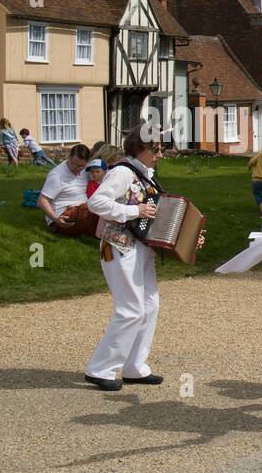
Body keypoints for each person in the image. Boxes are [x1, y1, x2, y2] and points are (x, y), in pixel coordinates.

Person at [85, 128, 203, 390]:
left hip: (141, 250)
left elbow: (158, 216)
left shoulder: (146, 176)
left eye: (161, 149)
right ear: (139, 149)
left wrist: (190, 237)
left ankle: (134, 367)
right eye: (156, 149)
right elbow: (96, 203)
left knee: (150, 306)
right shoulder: (123, 172)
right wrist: (133, 210)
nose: (160, 154)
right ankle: (101, 369)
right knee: (130, 310)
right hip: (118, 248)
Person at [39, 144, 97, 236]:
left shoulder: (86, 170)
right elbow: (42, 200)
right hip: (63, 217)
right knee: (90, 209)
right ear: (69, 157)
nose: (77, 168)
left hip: (81, 210)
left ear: (87, 162)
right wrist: (55, 219)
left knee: (102, 205)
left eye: (81, 166)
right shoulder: (57, 175)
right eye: (74, 164)